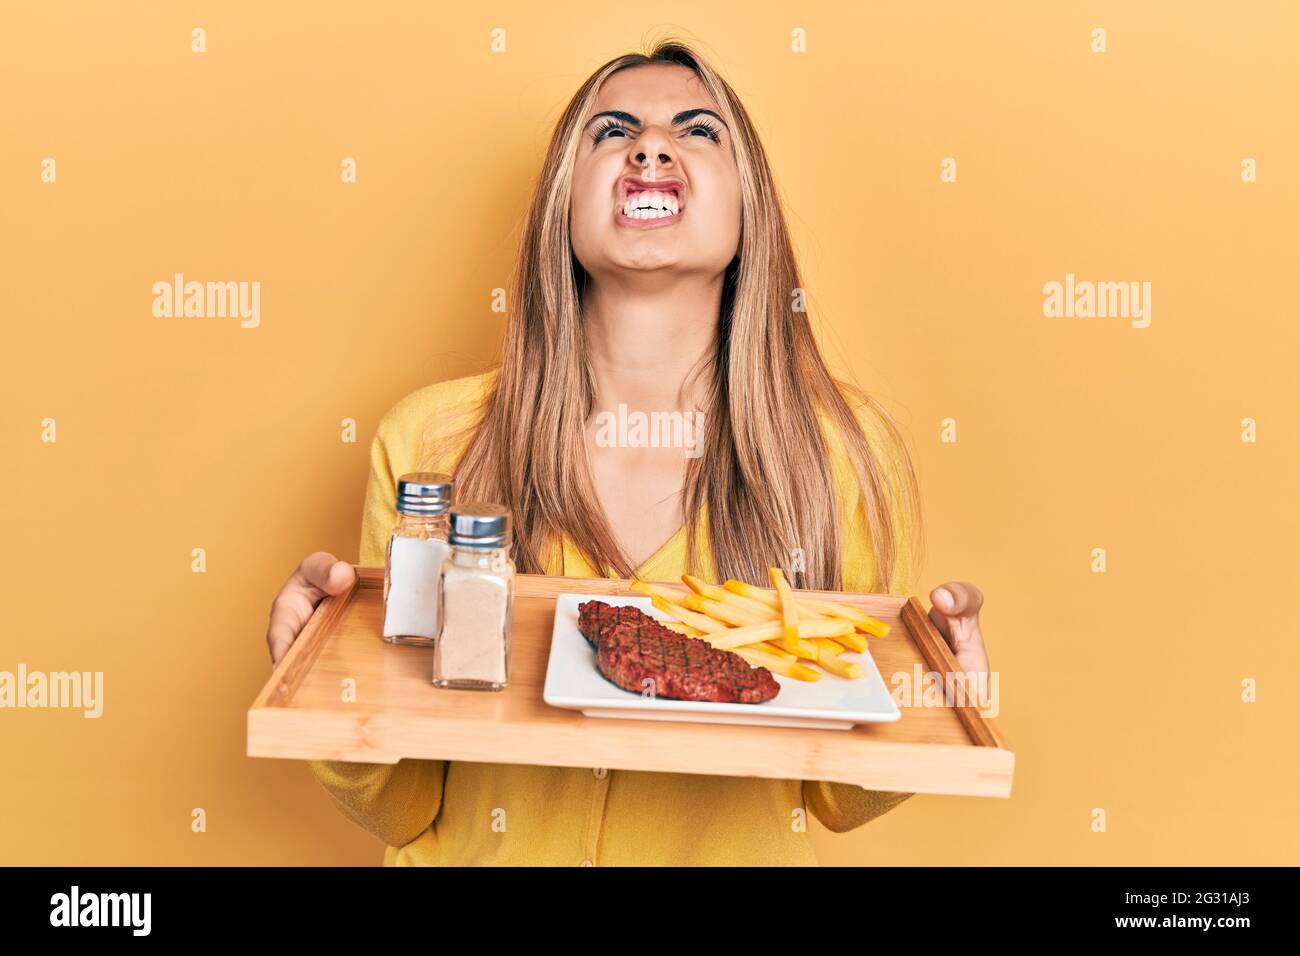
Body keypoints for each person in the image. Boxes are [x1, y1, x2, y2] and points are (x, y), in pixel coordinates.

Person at [265, 39, 991, 866]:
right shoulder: (429, 445)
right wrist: (322, 684)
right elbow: (401, 807)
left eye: (698, 131)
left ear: (750, 205)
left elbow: (835, 796)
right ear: (559, 205)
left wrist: (931, 692)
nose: (650, 147)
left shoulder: (844, 453)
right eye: (612, 131)